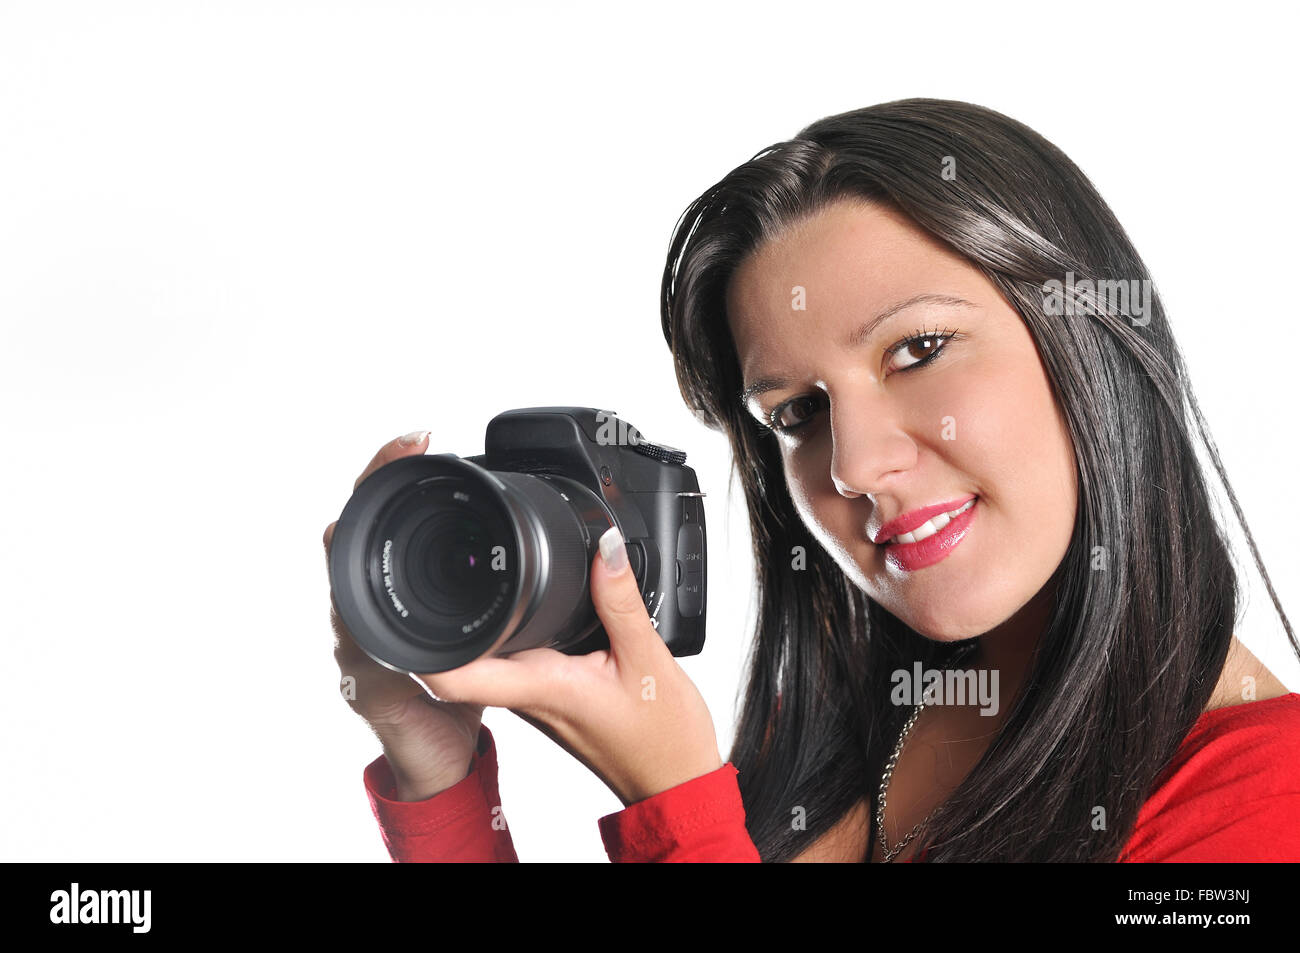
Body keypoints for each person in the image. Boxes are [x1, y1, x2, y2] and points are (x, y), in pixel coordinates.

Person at [324, 98, 1300, 862]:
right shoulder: (843, 726)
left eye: (917, 348)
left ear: (1085, 339)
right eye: (797, 412)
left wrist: (673, 807)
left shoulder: (1264, 798)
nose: (854, 465)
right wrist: (439, 772)